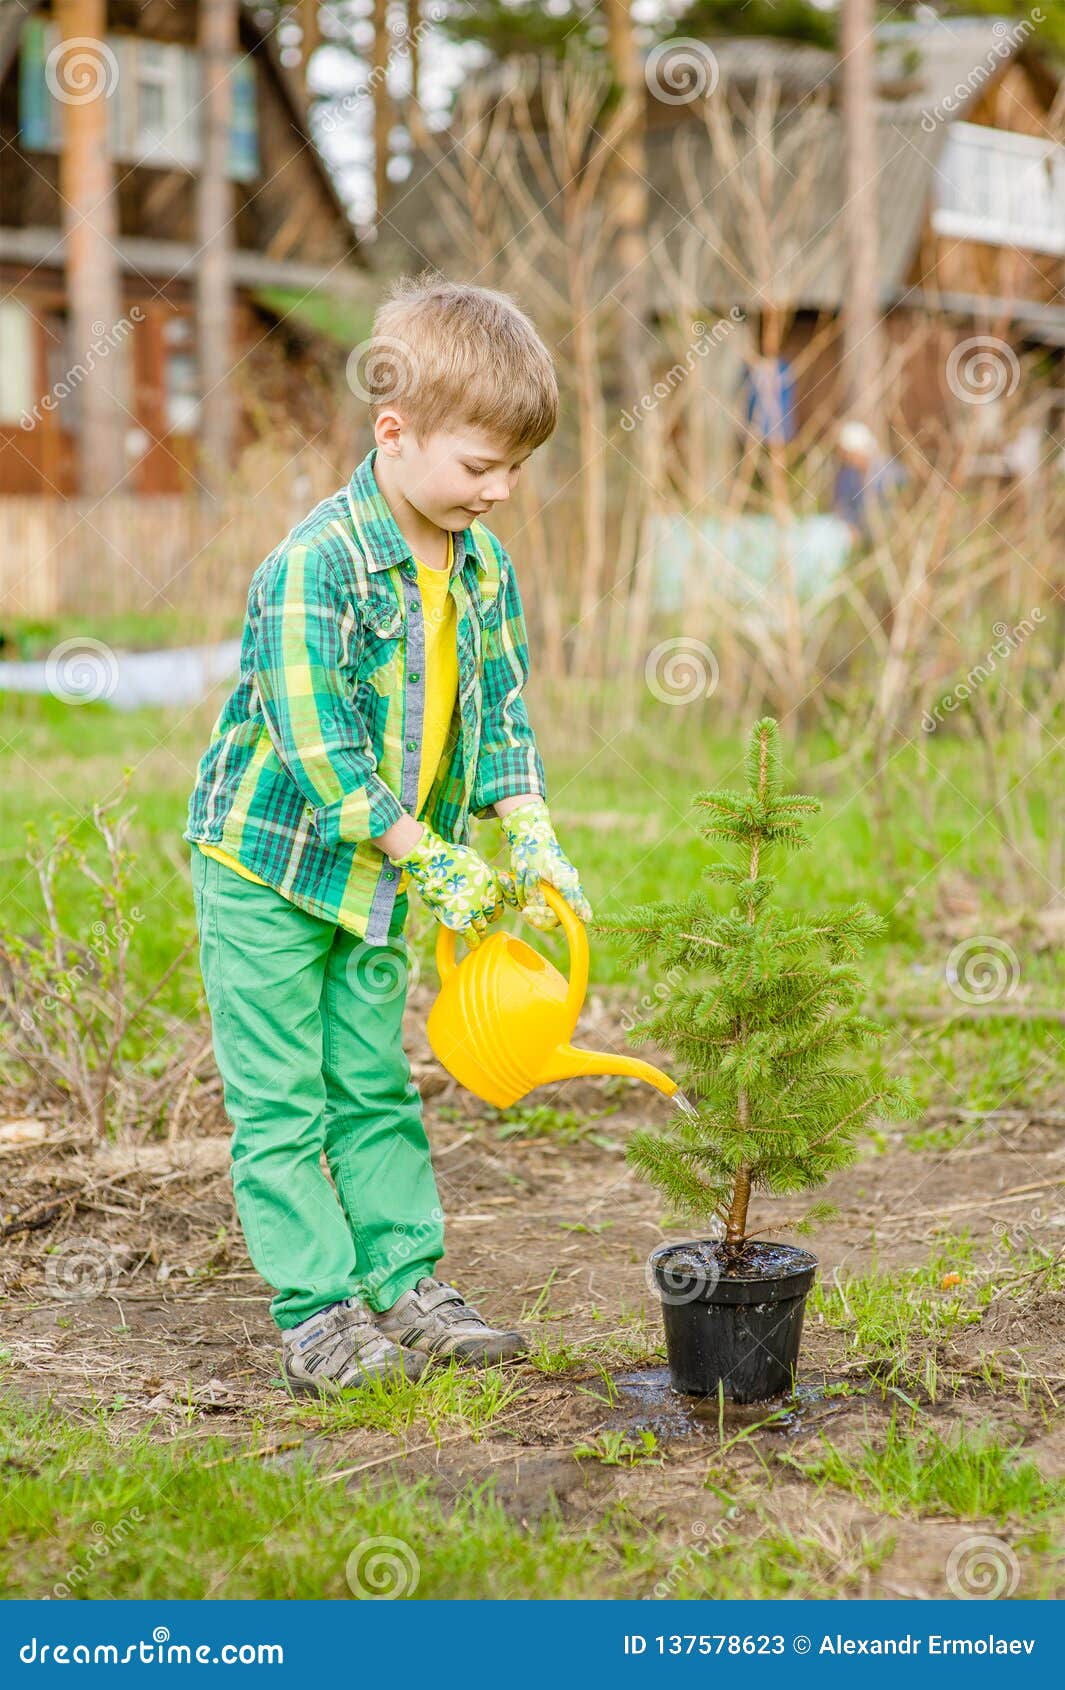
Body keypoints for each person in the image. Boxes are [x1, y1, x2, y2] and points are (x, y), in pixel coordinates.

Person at [184, 275, 591, 1397]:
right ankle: (317, 1310)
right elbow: (321, 760)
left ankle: (405, 1281)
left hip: (378, 877)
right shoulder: (313, 568)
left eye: (516, 468)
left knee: (371, 1078)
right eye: (479, 465)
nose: (501, 490)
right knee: (283, 1099)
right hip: (268, 865)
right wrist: (426, 851)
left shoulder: (480, 566)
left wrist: (528, 826)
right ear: (394, 430)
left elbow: (498, 708)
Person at [832, 419, 901, 541]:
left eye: (851, 453)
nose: (849, 458)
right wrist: (850, 526)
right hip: (855, 534)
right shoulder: (847, 475)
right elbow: (841, 506)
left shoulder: (890, 471)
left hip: (887, 533)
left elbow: (902, 500)